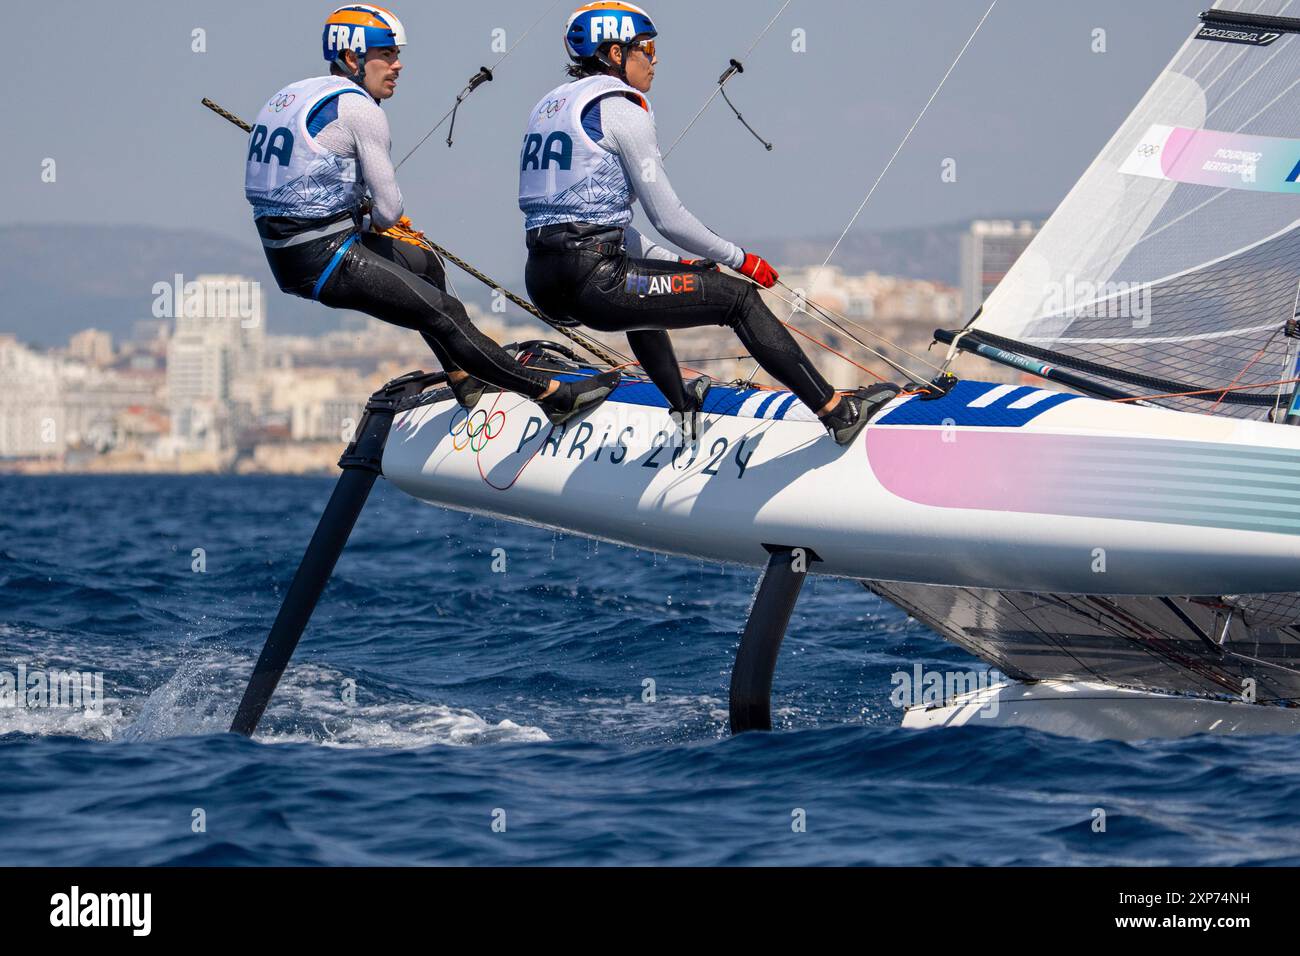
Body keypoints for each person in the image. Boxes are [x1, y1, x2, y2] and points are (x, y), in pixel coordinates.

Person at [519, 2, 891, 444]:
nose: (655, 60)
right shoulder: (621, 108)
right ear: (616, 53)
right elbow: (668, 217)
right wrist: (740, 259)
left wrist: (678, 265)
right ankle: (838, 413)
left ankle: (684, 408)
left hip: (543, 280)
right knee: (739, 299)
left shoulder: (550, 107)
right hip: (595, 279)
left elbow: (585, 223)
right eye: (647, 49)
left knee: (642, 297)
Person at [245, 3, 620, 425]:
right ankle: (553, 396)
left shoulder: (293, 95)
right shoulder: (360, 109)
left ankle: (464, 377)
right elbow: (390, 211)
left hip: (294, 249)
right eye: (386, 54)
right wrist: (370, 219)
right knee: (446, 314)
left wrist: (356, 213)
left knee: (425, 262)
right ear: (352, 58)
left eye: (397, 53)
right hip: (323, 256)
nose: (398, 64)